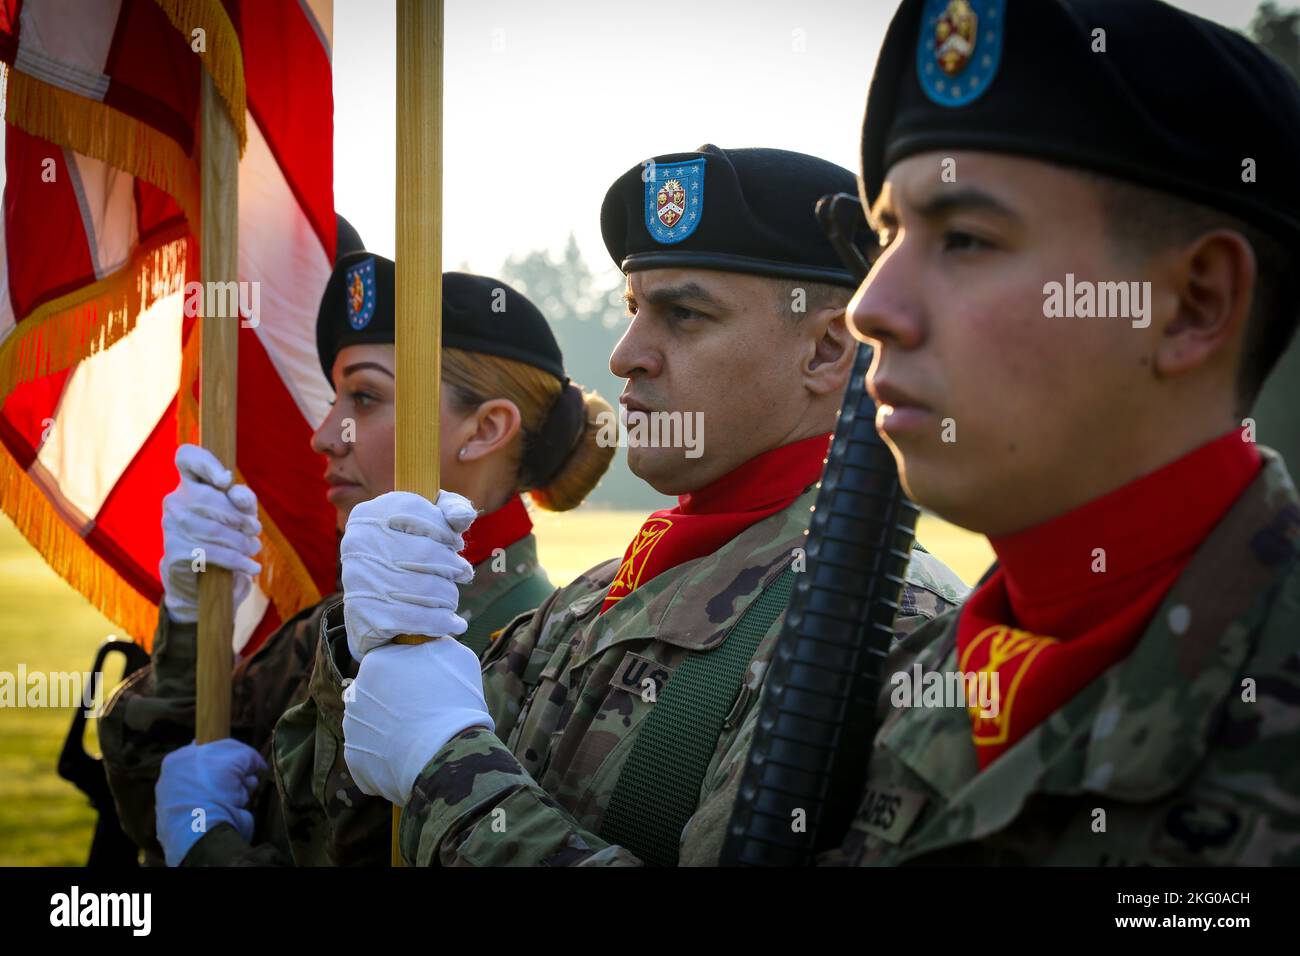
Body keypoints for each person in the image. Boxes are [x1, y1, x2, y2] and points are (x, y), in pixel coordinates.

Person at [333, 144, 969, 866]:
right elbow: (343, 839)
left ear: (826, 350)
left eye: (685, 314)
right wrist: (370, 651)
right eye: (634, 309)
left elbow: (444, 777)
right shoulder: (585, 604)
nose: (625, 354)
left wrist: (446, 769)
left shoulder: (886, 629)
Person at [796, 0, 1299, 865]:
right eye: (886, 235)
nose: (869, 307)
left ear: (1194, 305)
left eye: (965, 238)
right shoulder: (892, 685)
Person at [98, 252, 615, 866]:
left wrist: (208, 852)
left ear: (483, 430)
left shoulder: (544, 661)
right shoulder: (338, 623)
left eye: (365, 398)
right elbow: (151, 787)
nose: (324, 435)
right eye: (335, 398)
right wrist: (190, 623)